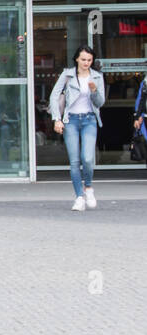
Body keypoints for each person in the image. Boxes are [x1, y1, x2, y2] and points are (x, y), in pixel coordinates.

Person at [47, 46, 105, 211]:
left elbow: (100, 103)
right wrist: (57, 119)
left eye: (89, 60)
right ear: (77, 60)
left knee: (87, 158)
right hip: (71, 120)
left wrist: (94, 91)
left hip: (89, 120)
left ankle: (88, 187)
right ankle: (79, 197)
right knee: (74, 161)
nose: (86, 63)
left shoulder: (97, 77)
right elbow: (54, 96)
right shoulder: (67, 75)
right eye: (83, 59)